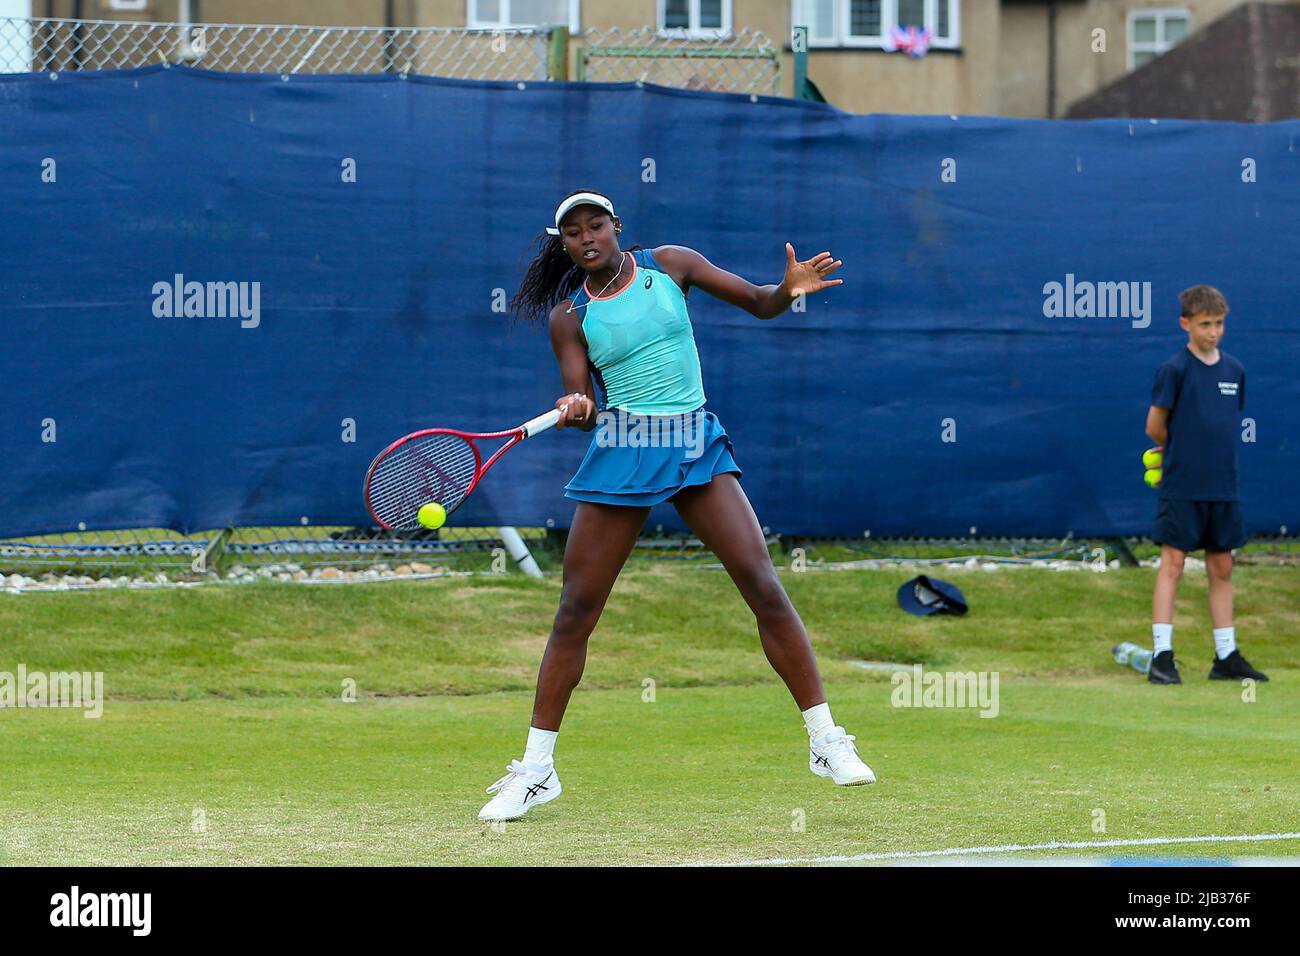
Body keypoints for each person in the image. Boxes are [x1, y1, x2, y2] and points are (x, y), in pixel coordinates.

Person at [477, 189, 874, 822]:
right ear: (566, 246)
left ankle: (826, 741)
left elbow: (760, 304)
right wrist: (577, 407)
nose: (588, 238)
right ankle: (535, 771)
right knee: (576, 609)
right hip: (628, 447)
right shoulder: (569, 317)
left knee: (763, 585)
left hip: (692, 442)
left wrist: (788, 288)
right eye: (574, 232)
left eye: (596, 225)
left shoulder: (672, 265)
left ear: (616, 228)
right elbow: (580, 400)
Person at [1144, 285, 1267, 686]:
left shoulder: (1235, 370)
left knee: (1222, 566)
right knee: (1173, 565)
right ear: (1186, 324)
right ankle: (1162, 657)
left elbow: (1222, 426)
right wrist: (1178, 453)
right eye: (1205, 324)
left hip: (1223, 489)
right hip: (1181, 487)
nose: (1213, 332)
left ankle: (1226, 656)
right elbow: (1155, 427)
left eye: (1219, 324)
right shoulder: (1174, 370)